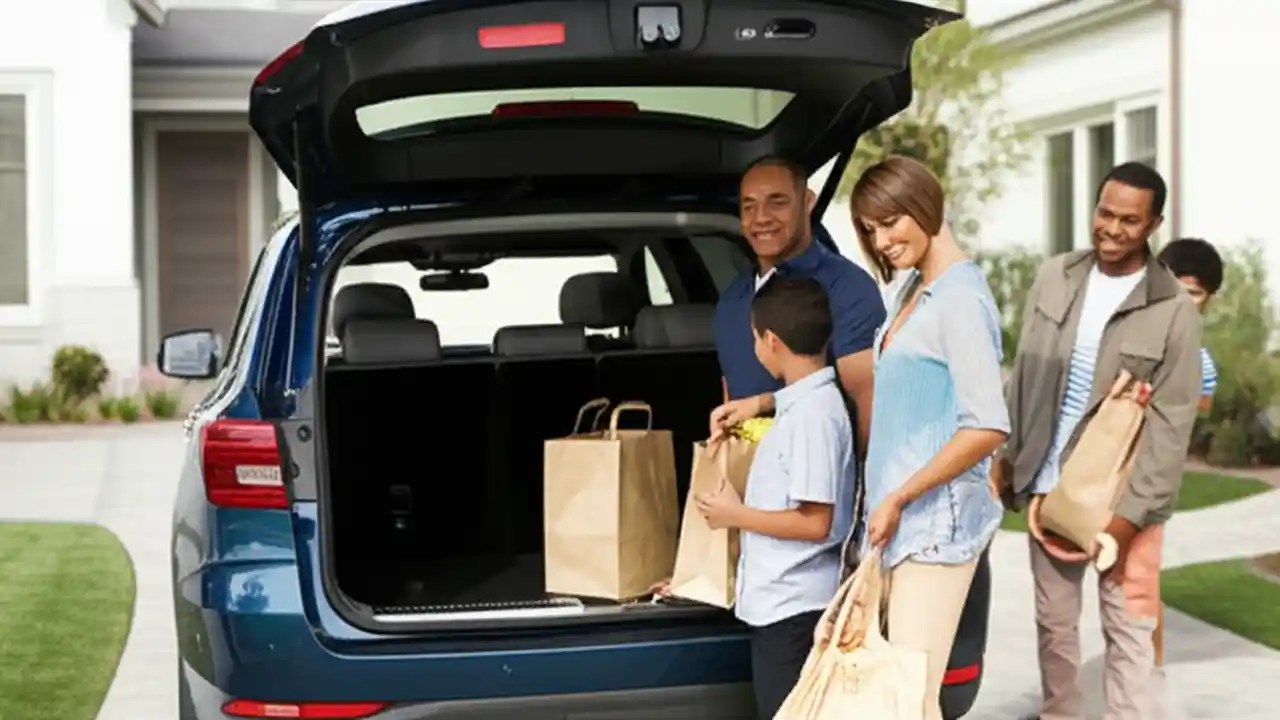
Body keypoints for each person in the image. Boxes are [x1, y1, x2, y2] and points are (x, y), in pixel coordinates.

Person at [993, 162, 1203, 720]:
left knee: (1129, 633)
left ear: (1154, 223)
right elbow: (1025, 374)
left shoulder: (1173, 311)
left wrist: (1128, 520)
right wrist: (1007, 457)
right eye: (1105, 212)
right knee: (1055, 632)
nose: (1112, 228)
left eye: (1129, 220)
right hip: (1047, 486)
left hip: (1122, 503)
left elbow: (1171, 425)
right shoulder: (1055, 276)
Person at [847, 155, 1010, 720]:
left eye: (891, 221)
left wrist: (898, 496)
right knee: (892, 698)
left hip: (934, 533)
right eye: (870, 229)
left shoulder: (961, 299)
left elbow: (988, 424)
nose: (883, 240)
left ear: (926, 205)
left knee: (909, 704)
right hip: (900, 530)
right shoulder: (915, 289)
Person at [694, 275, 857, 720]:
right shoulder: (802, 407)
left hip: (795, 612)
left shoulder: (813, 420)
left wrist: (736, 514)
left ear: (770, 341)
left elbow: (815, 522)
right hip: (781, 606)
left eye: (753, 338)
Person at [709, 155, 886, 458]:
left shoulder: (848, 288)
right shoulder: (731, 301)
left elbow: (867, 403)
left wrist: (865, 498)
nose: (761, 217)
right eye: (749, 206)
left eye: (777, 202)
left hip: (824, 488)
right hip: (748, 491)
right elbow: (732, 400)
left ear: (808, 201)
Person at [1157, 237, 1223, 413]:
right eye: (1175, 291)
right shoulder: (1124, 337)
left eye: (1193, 294)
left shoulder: (1203, 367)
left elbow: (1199, 420)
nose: (1183, 302)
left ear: (1209, 300)